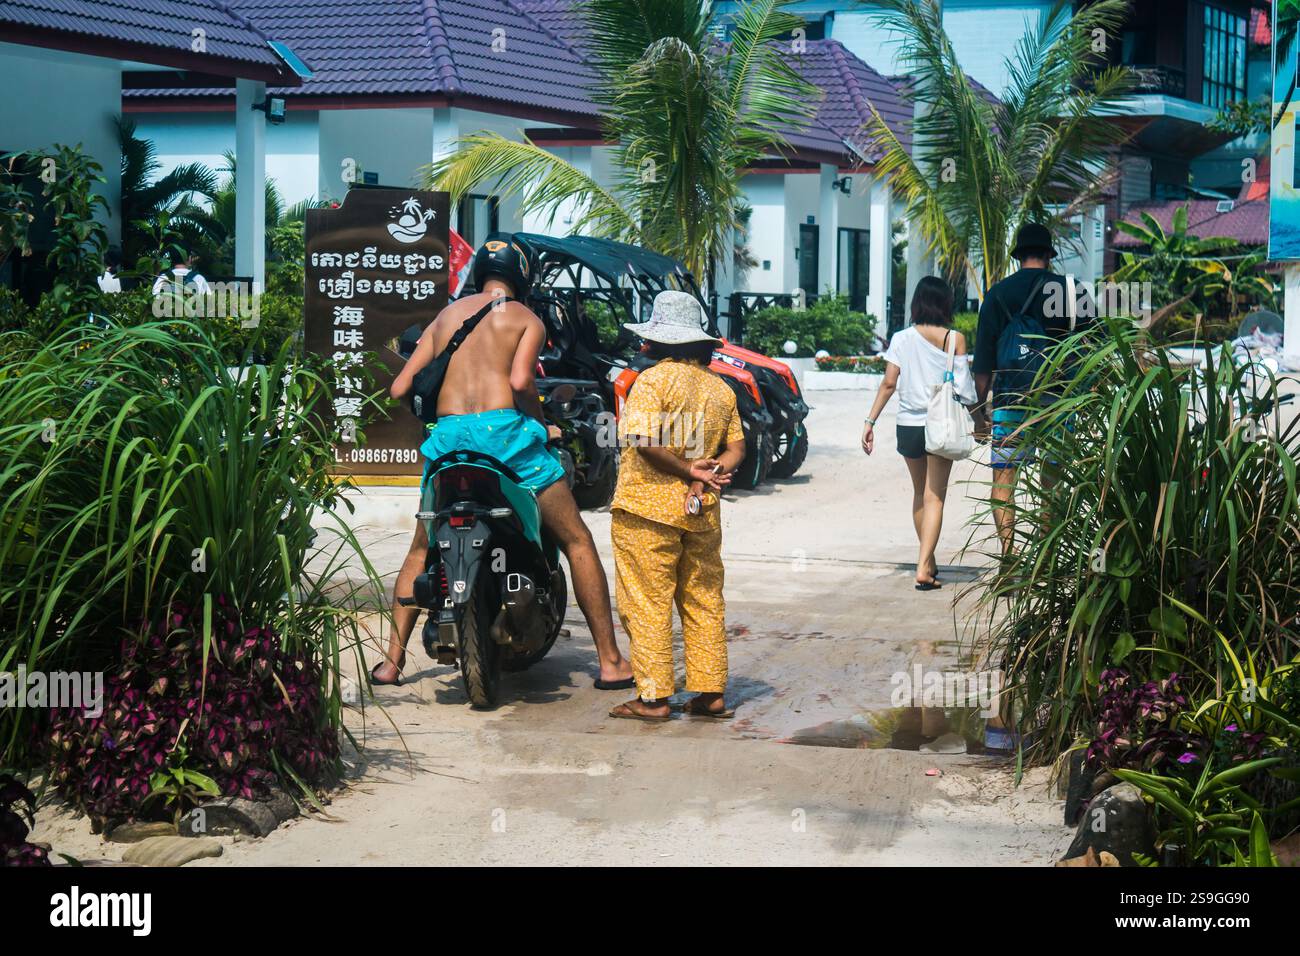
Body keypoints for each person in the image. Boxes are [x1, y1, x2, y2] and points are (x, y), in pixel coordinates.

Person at [376, 232, 634, 690]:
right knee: (576, 539)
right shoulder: (525, 318)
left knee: (420, 548)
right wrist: (544, 426)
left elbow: (399, 388)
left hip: (448, 444)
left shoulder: (445, 317)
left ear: (479, 274)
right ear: (523, 278)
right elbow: (519, 383)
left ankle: (391, 664)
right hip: (506, 440)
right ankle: (612, 662)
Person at [606, 291, 746, 722]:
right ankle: (710, 693)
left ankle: (653, 699)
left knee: (647, 602)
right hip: (700, 511)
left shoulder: (652, 381)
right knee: (703, 599)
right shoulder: (721, 389)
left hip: (646, 510)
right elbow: (737, 448)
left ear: (657, 341)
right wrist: (708, 473)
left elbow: (643, 440)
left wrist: (687, 468)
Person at [971, 223, 1090, 554]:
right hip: (1058, 400)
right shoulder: (1071, 291)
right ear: (1049, 255)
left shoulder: (997, 295)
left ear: (1018, 256)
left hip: (1011, 400)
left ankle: (1009, 557)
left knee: (1004, 477)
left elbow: (983, 363)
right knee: (1053, 481)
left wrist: (979, 411)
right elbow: (1094, 346)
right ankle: (1046, 556)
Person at [861, 277, 976, 590]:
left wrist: (870, 421)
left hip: (908, 425)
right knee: (934, 496)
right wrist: (979, 418)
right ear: (946, 303)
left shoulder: (901, 338)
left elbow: (889, 383)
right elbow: (965, 388)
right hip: (942, 425)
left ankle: (929, 560)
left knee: (919, 494)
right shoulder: (955, 339)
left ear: (917, 302)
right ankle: (924, 568)